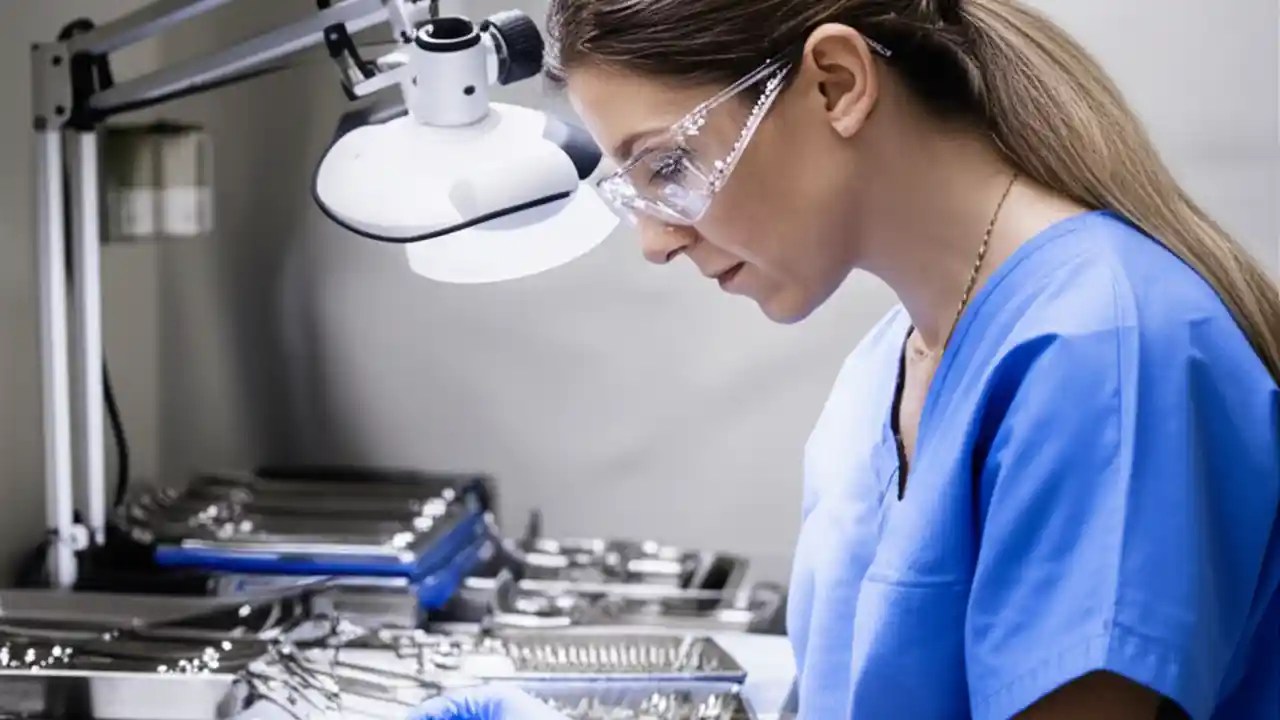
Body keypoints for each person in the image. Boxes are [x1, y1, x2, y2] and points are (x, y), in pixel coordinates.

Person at [412, 0, 1280, 717]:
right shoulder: (885, 369)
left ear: (838, 83)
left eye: (669, 165)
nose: (655, 239)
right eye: (633, 188)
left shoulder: (1102, 356)